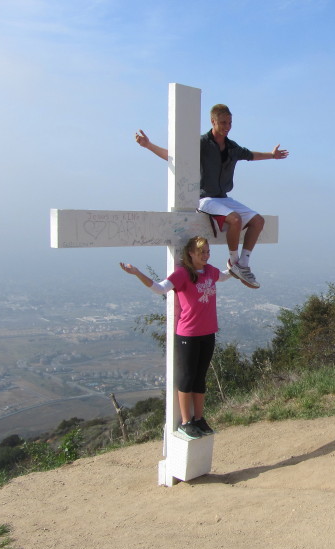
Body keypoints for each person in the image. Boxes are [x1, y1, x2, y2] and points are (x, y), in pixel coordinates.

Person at [134, 103, 289, 289]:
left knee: (258, 221)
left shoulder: (232, 147)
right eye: (223, 122)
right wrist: (148, 145)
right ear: (213, 121)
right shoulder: (201, 144)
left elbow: (250, 155)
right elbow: (174, 156)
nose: (227, 126)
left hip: (223, 197)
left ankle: (244, 264)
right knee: (235, 219)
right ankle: (234, 262)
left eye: (230, 122)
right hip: (205, 198)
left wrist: (272, 156)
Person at [120, 236, 231, 439]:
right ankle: (186, 421)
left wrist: (233, 267)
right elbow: (160, 288)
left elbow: (223, 276)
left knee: (200, 378)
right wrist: (136, 273)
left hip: (208, 331)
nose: (206, 255)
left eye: (207, 251)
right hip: (188, 333)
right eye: (201, 252)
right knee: (187, 378)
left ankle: (199, 418)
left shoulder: (209, 271)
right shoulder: (182, 274)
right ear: (191, 253)